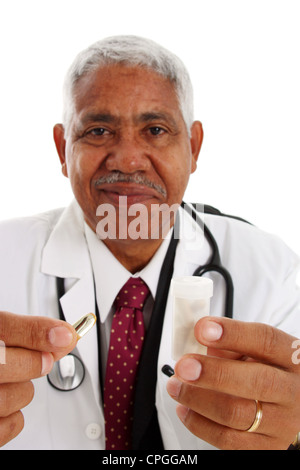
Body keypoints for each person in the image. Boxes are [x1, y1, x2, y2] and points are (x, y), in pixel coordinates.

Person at [0, 35, 300, 451]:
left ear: (193, 147)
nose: (127, 159)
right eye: (99, 130)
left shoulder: (274, 271)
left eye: (155, 130)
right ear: (62, 148)